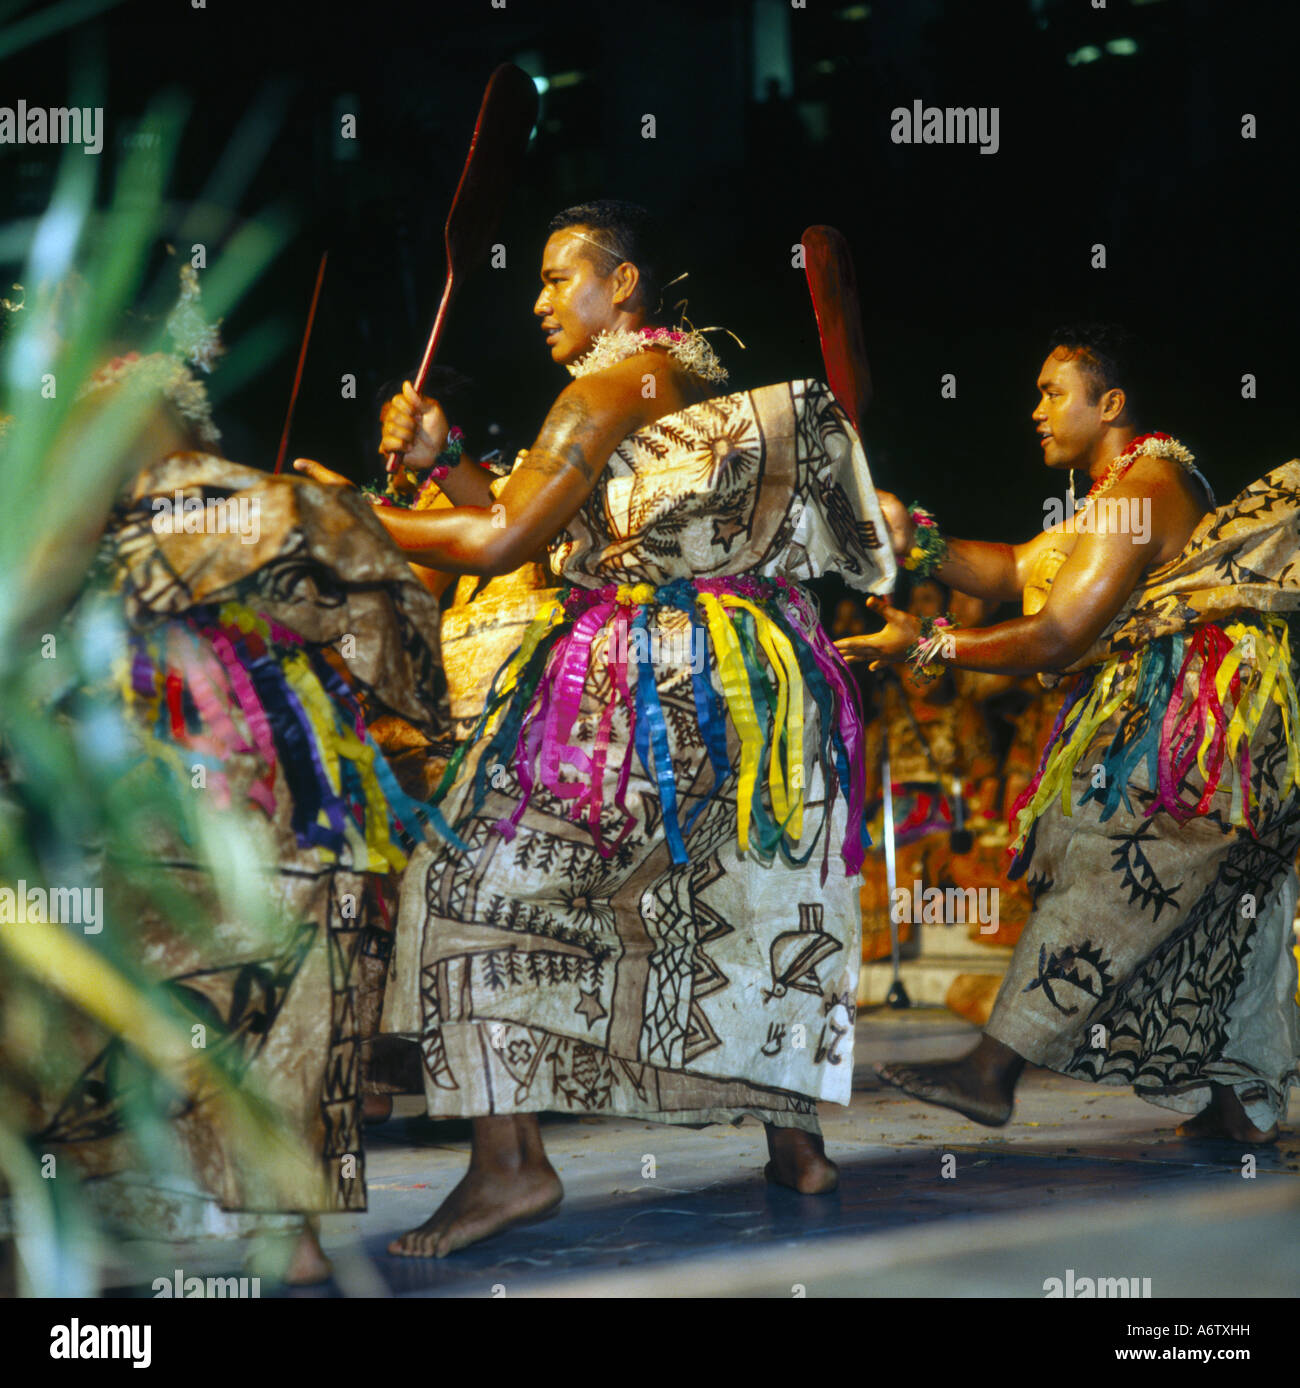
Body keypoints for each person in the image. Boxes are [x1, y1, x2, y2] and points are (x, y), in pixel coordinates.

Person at [295, 199, 896, 1256]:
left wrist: (343, 519)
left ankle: (512, 1164)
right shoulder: (690, 381)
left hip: (652, 683)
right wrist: (445, 455)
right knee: (738, 897)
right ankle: (795, 1142)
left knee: (464, 882)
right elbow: (545, 530)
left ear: (622, 284)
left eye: (554, 275)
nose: (535, 300)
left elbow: (500, 540)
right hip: (750, 682)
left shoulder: (604, 387)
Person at [838, 323, 1300, 1146]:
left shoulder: (1142, 491)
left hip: (1202, 735)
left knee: (1105, 865)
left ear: (1110, 404)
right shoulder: (1116, 490)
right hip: (1198, 735)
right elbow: (1016, 569)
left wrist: (927, 646)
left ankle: (992, 1070)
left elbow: (1058, 634)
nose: (1036, 409)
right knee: (1229, 914)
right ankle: (1240, 1105)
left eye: (1055, 393)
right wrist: (918, 537)